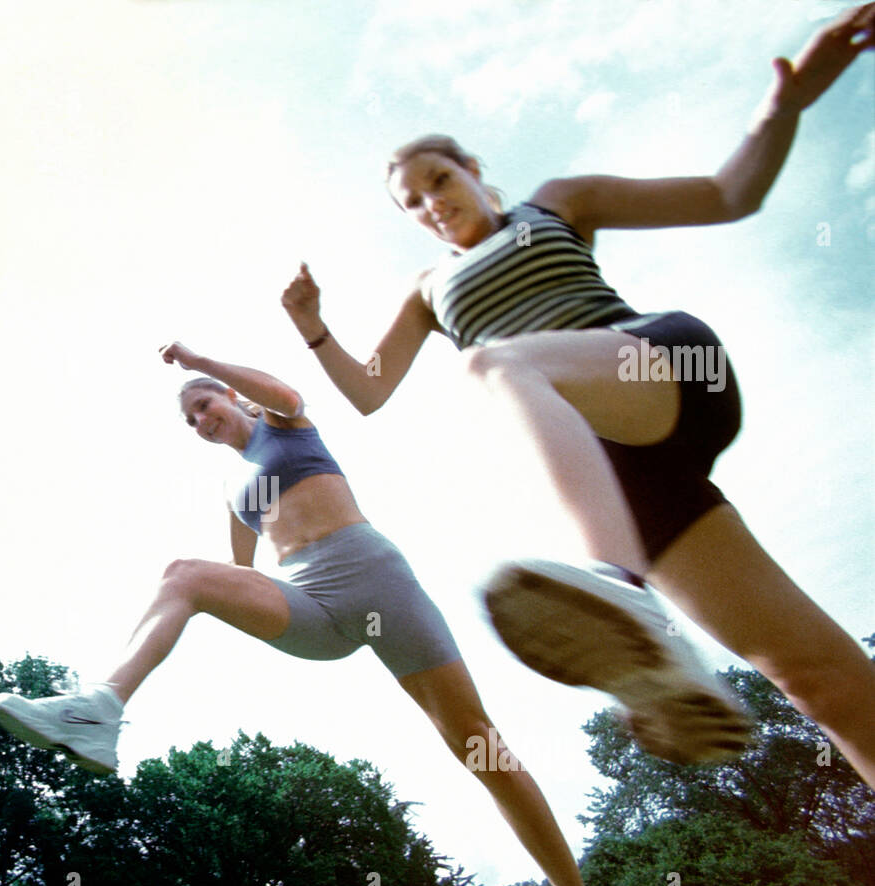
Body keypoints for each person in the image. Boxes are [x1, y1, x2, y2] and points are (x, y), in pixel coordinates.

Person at [279, 3, 875, 788]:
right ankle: (637, 608)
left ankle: (615, 586)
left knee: (496, 368)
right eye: (413, 203)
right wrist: (314, 328)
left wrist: (784, 105)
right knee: (820, 679)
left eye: (439, 180)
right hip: (626, 478)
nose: (432, 202)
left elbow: (729, 194)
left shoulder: (556, 202)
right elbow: (369, 391)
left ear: (475, 172)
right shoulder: (426, 289)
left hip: (664, 367)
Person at [0, 341, 614, 886]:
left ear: (229, 396)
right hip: (311, 607)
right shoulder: (238, 495)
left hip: (377, 582)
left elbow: (286, 393)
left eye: (205, 406)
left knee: (478, 746)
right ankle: (99, 710)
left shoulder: (284, 425)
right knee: (184, 575)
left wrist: (194, 360)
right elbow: (240, 574)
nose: (202, 422)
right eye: (191, 421)